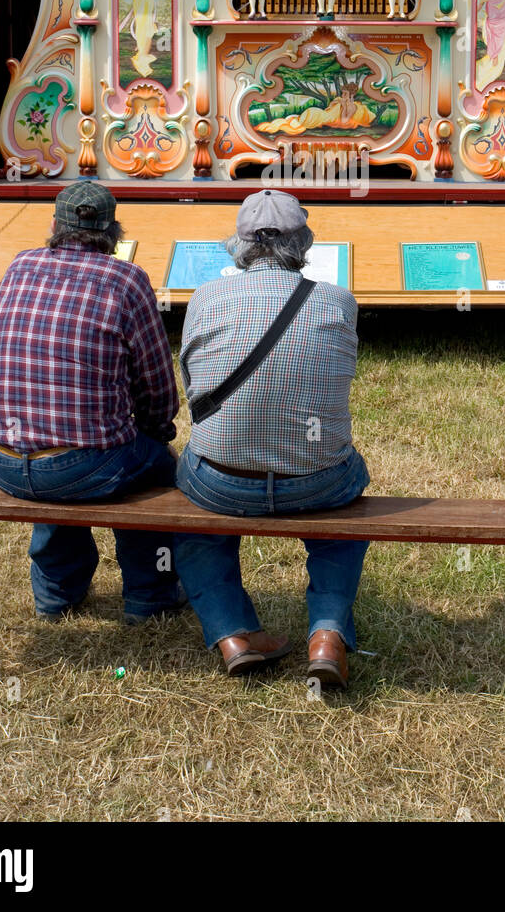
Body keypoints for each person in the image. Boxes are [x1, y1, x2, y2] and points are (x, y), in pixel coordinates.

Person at [172, 190, 369, 687]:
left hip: (221, 482)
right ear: (302, 242)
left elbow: (193, 386)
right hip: (317, 482)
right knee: (346, 507)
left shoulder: (206, 298)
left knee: (194, 517)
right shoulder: (337, 300)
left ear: (238, 245)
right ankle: (326, 636)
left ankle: (232, 633)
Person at [0, 181, 183, 624]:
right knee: (158, 471)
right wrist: (155, 432)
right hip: (80, 465)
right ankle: (152, 595)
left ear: (54, 226)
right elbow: (157, 387)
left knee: (60, 454)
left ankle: (57, 595)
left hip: (3, 459)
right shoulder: (127, 280)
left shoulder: (20, 265)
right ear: (114, 232)